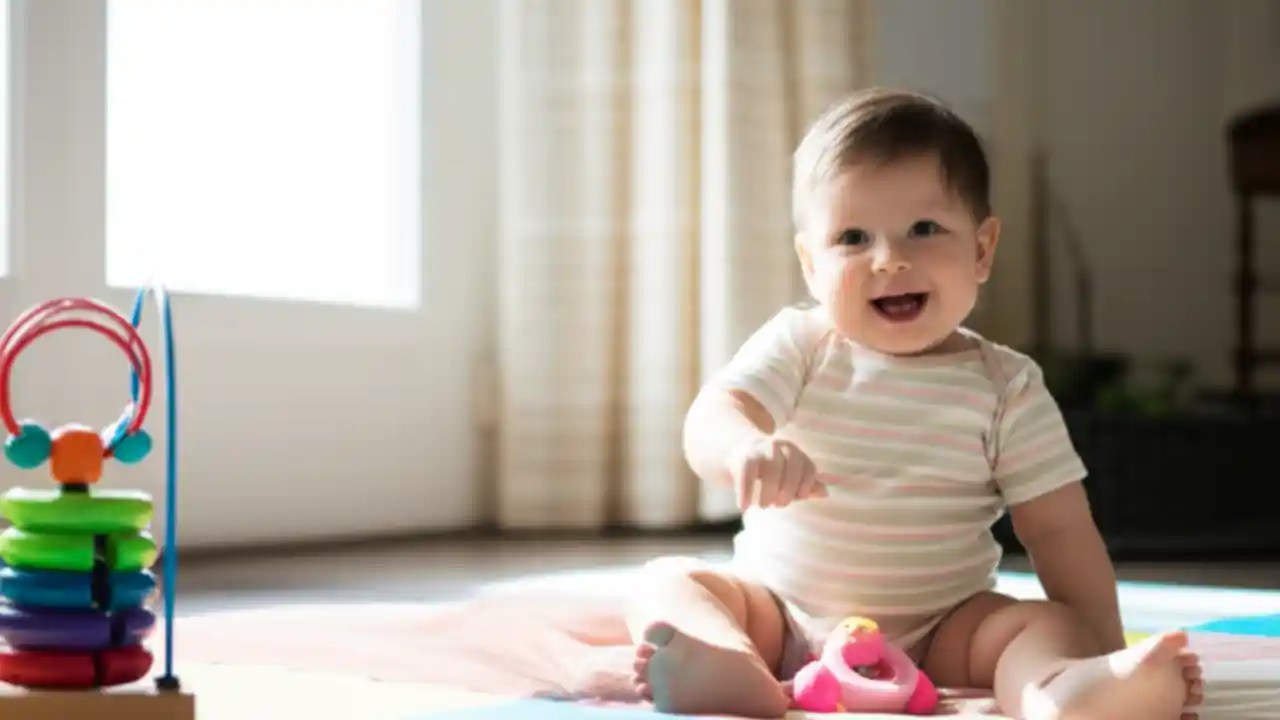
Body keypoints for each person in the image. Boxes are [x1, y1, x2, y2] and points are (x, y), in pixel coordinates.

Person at [626, 88, 1203, 719]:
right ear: (811, 265)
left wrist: (1100, 646)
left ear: (982, 250)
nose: (890, 260)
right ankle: (716, 658)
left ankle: (1067, 690)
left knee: (1041, 625)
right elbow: (713, 414)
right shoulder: (801, 344)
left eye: (924, 229)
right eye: (852, 237)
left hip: (944, 628)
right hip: (780, 615)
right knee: (671, 582)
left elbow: (1060, 530)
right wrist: (744, 446)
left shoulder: (1006, 385)